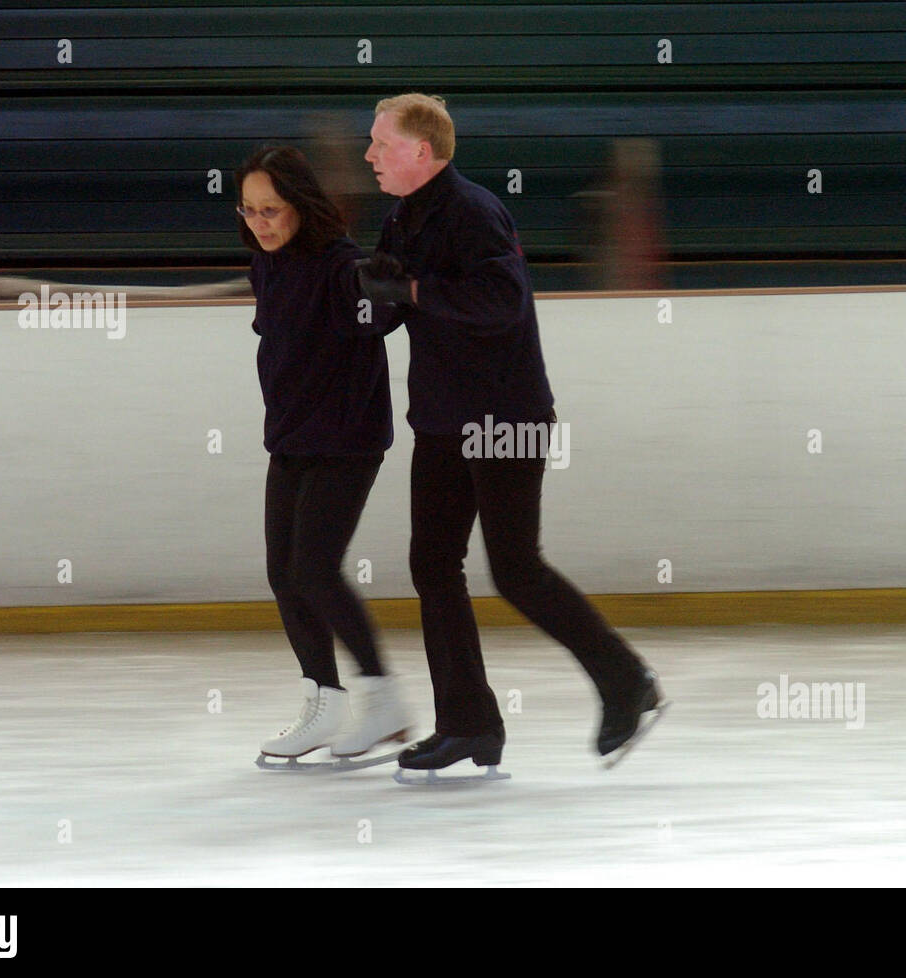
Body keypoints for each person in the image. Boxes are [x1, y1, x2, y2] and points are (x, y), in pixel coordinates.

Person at [356, 94, 665, 773]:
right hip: (443, 419)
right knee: (432, 564)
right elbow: (391, 310)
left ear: (422, 152)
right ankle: (469, 724)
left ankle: (627, 680)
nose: (370, 154)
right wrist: (370, 302)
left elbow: (501, 302)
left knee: (516, 568)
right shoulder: (404, 217)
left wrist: (409, 293)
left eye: (381, 143)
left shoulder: (472, 211)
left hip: (505, 416)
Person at [236, 145, 412, 762]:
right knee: (283, 573)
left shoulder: (341, 268)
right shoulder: (267, 266)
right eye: (251, 210)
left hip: (347, 440)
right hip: (289, 438)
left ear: (301, 206)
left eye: (273, 209)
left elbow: (388, 307)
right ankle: (325, 701)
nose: (261, 222)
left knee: (315, 567)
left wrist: (395, 279)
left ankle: (384, 701)